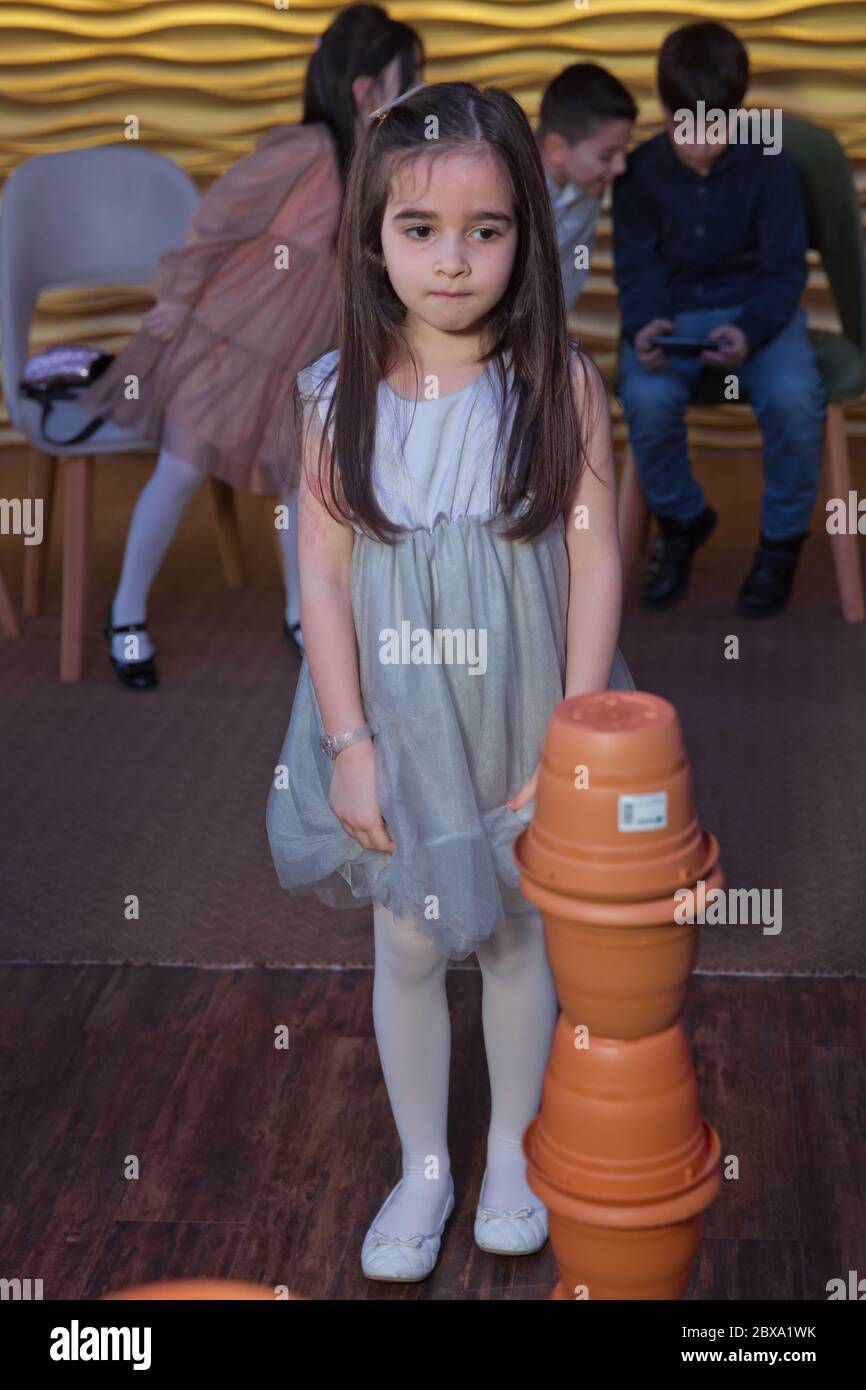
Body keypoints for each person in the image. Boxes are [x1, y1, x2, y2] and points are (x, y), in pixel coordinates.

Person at [265, 81, 635, 1282]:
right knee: (411, 940)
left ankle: (513, 1151)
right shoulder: (335, 395)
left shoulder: (555, 384)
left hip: (528, 702)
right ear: (371, 237)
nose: (453, 260)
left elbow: (592, 556)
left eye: (486, 229)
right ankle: (424, 1161)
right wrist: (347, 740)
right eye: (418, 230)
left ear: (528, 230)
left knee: (520, 935)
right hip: (398, 719)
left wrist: (575, 731)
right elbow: (320, 579)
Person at [81, 5, 423, 688]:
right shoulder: (303, 151)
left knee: (299, 486)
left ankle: (303, 613)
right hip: (229, 341)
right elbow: (216, 221)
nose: (418, 87)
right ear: (365, 91)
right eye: (409, 76)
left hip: (303, 354)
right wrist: (177, 300)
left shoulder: (378, 163)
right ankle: (125, 614)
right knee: (179, 472)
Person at [613, 21, 826, 617]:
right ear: (665, 106)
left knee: (793, 398)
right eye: (687, 126)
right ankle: (683, 521)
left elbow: (785, 272)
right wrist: (645, 324)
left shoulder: (772, 168)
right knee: (646, 400)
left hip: (758, 312)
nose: (701, 144)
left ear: (738, 111)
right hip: (671, 313)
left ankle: (782, 541)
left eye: (716, 126)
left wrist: (750, 331)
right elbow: (636, 267)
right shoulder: (638, 172)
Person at [535, 63, 636, 311]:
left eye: (623, 150)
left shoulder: (589, 184)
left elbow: (569, 276)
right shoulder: (501, 189)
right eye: (607, 155)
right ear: (557, 148)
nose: (620, 167)